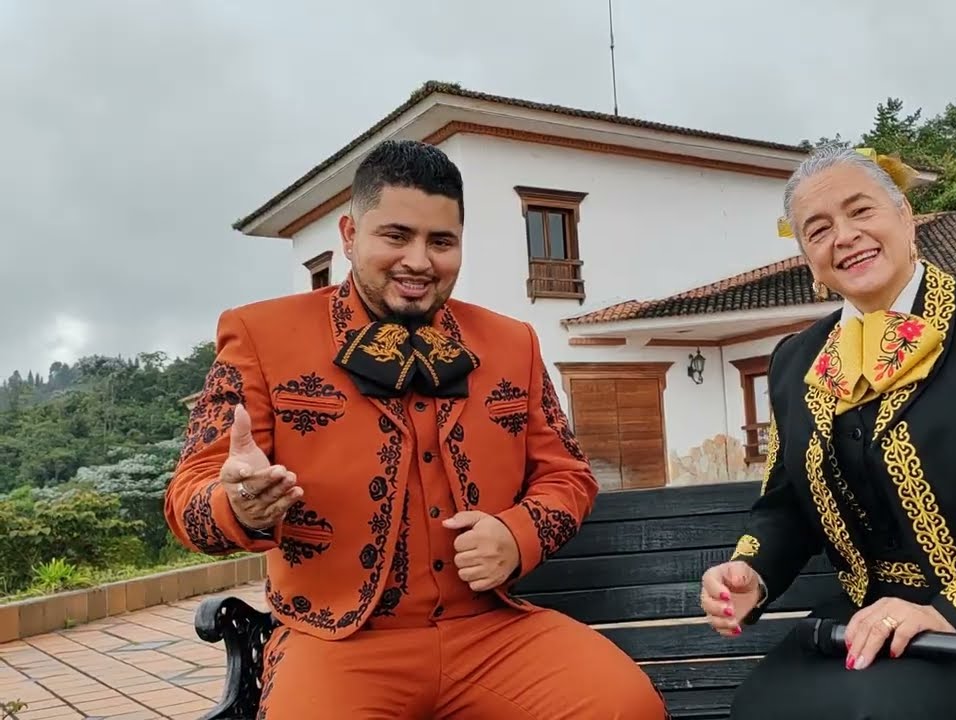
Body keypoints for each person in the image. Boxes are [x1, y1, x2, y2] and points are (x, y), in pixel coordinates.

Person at [165, 139, 669, 719]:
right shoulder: (259, 334)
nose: (419, 261)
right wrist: (237, 507)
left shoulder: (513, 344)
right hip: (335, 640)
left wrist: (518, 535)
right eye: (396, 236)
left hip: (489, 632)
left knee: (625, 706)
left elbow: (569, 476)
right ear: (350, 235)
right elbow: (187, 497)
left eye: (441, 242)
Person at [699, 144, 956, 719]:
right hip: (860, 623)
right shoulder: (795, 361)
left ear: (905, 214)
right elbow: (787, 505)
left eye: (861, 211)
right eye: (818, 229)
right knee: (759, 711)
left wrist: (949, 612)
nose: (843, 235)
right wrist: (753, 573)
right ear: (809, 258)